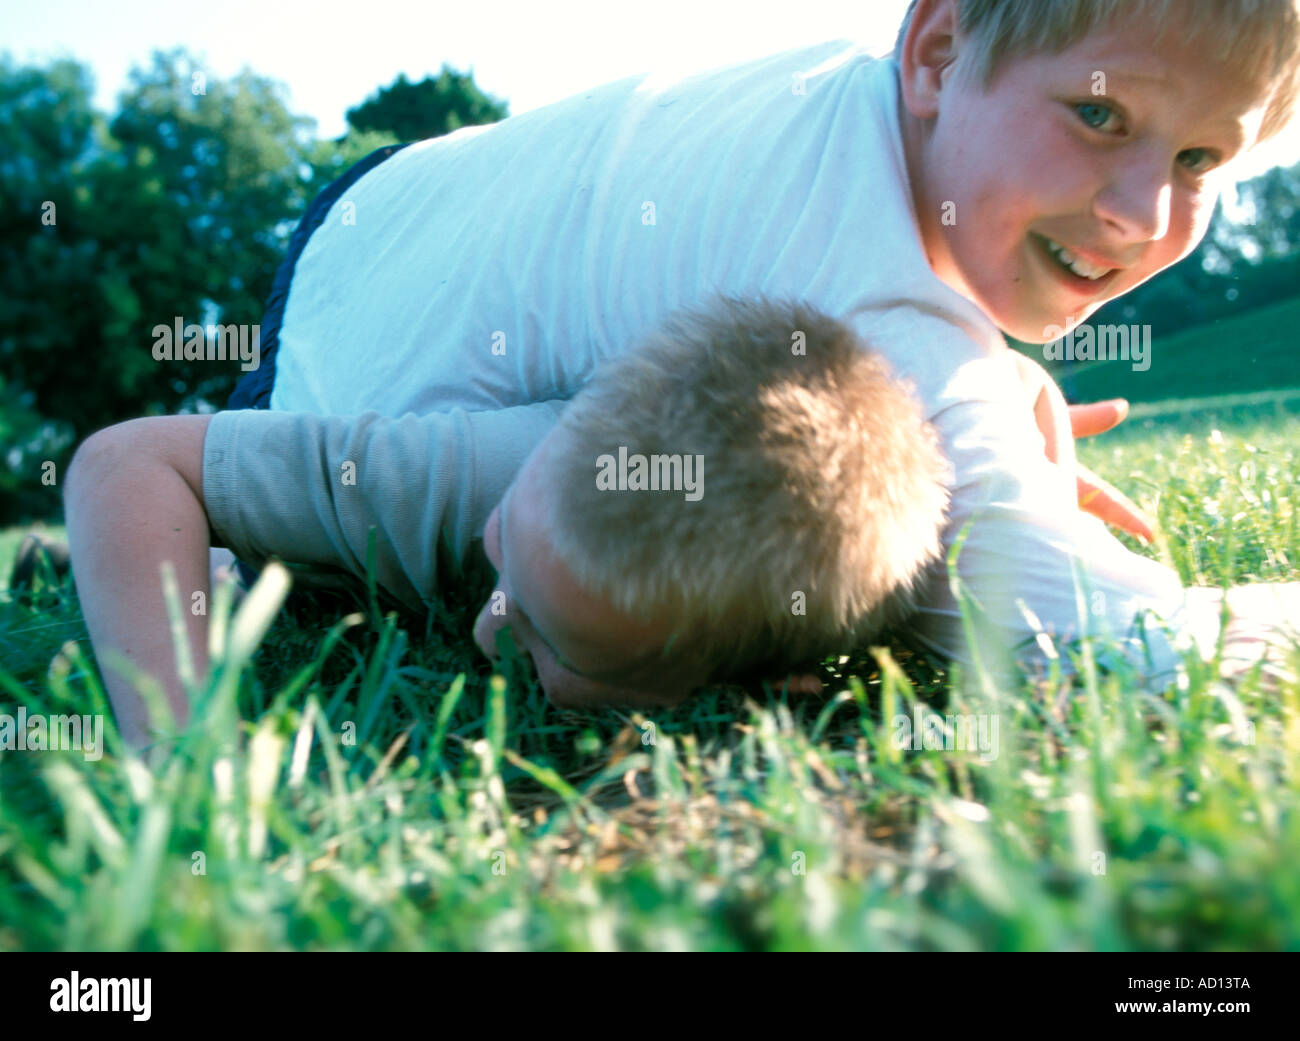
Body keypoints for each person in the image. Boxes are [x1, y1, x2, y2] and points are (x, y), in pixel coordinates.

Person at [62, 0, 1300, 748]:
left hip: (405, 197)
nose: (1145, 210)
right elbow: (1140, 658)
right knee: (252, 536)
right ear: (934, 51)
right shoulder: (886, 326)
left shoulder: (841, 116)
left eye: (1202, 156)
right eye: (1098, 116)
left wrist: (989, 411)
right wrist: (179, 762)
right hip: (333, 348)